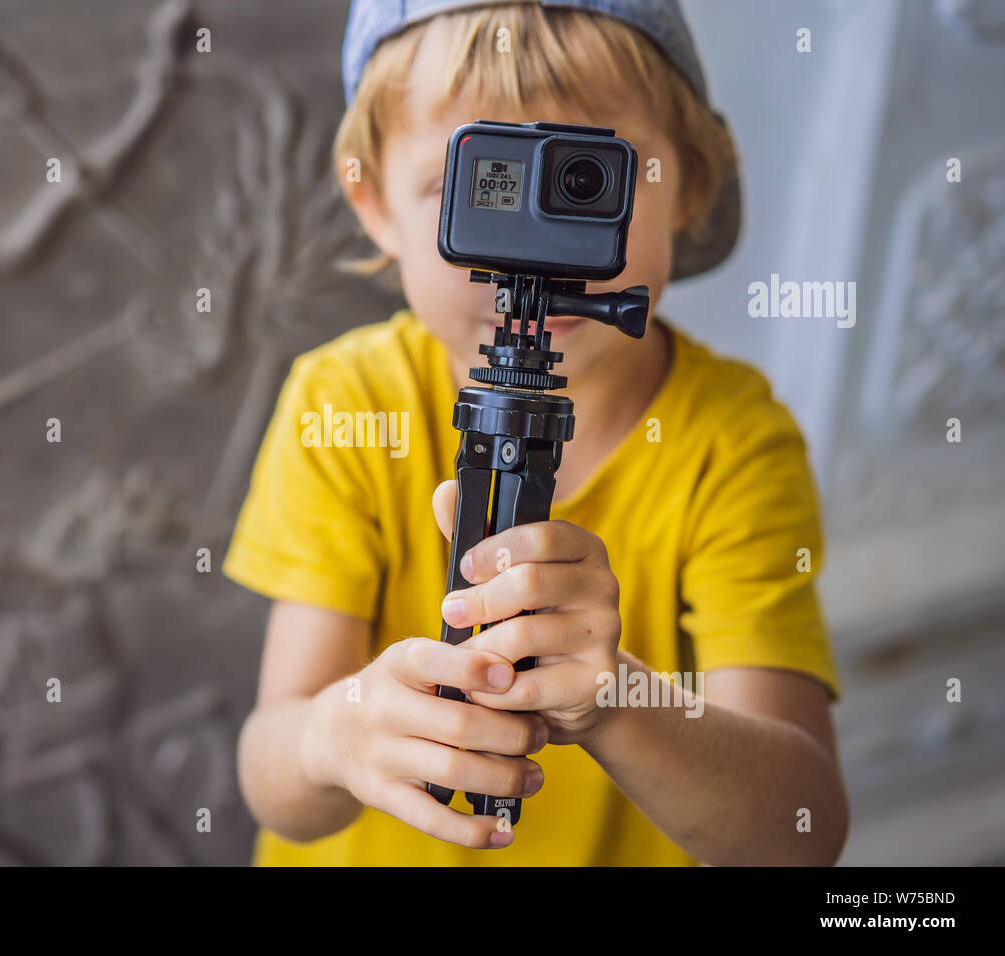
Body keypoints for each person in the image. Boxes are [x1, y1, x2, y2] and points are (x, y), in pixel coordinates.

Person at [223, 0, 847, 866]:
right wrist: (336, 733)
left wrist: (617, 702)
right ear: (374, 204)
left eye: (584, 184)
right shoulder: (347, 405)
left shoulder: (732, 443)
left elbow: (796, 835)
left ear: (689, 186)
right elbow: (274, 779)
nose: (534, 255)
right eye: (479, 192)